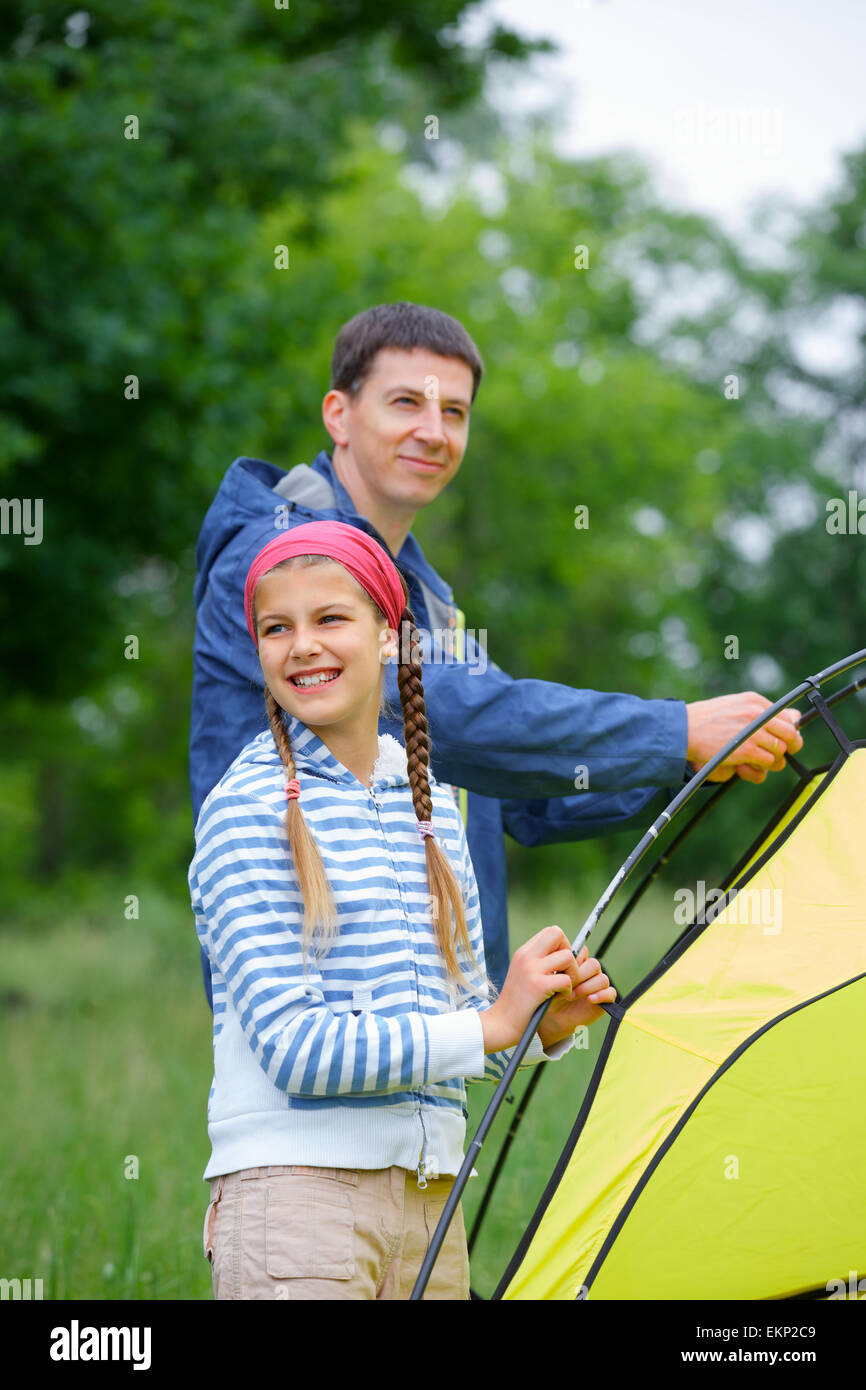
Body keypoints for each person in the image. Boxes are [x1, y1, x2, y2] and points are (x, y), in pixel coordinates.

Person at [190, 302, 803, 996]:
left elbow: (523, 794)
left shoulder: (421, 593)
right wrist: (674, 728)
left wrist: (691, 761)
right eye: (405, 403)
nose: (433, 431)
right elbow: (460, 716)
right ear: (338, 414)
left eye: (455, 412)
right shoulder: (278, 559)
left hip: (433, 1003)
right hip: (314, 988)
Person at [191, 521, 617, 1300]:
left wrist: (530, 1029)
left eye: (330, 619)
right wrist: (489, 1024)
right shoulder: (244, 811)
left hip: (431, 1204)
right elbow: (296, 1050)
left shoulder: (430, 808)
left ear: (389, 637)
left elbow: (443, 1038)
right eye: (275, 628)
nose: (302, 646)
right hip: (297, 1208)